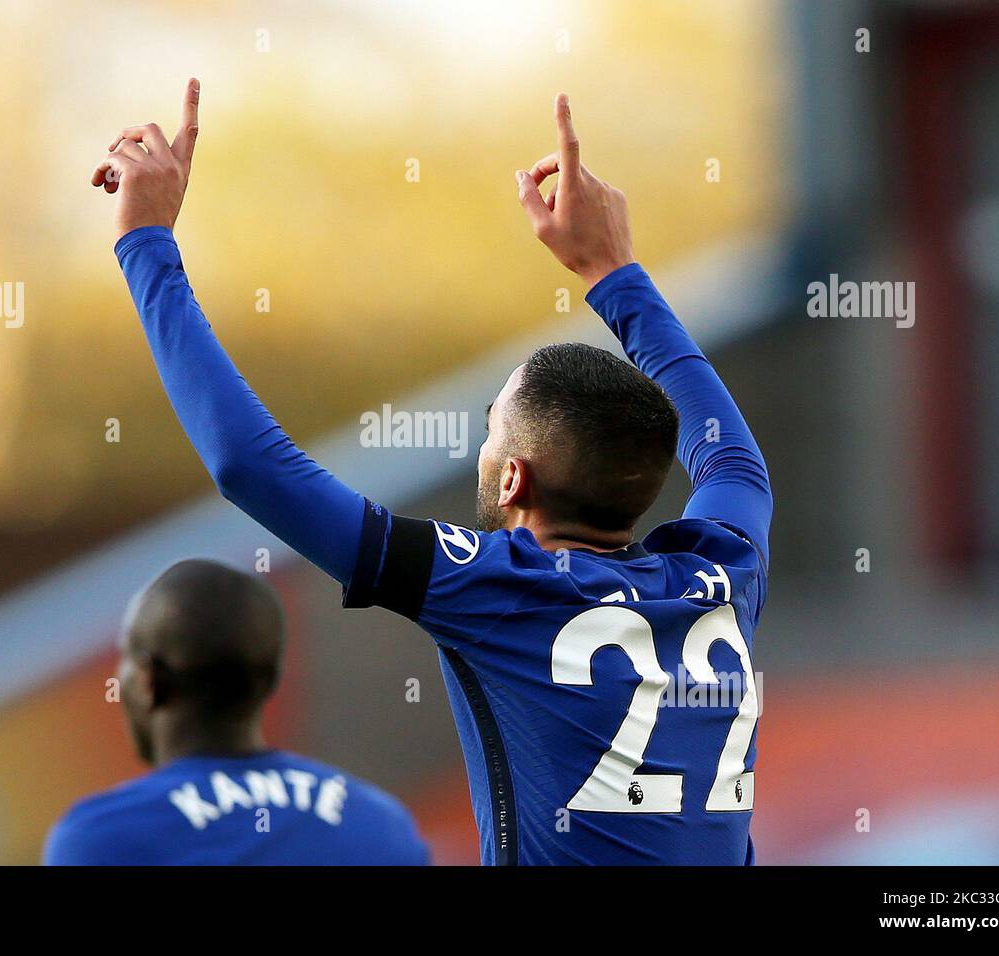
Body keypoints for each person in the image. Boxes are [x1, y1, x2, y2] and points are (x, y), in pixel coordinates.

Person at [89, 80, 772, 865]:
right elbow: (733, 460)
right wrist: (613, 270)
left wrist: (145, 242)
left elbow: (251, 466)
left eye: (490, 433)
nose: (480, 450)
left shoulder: (499, 586)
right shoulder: (723, 570)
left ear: (513, 480)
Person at [44, 559, 429, 865]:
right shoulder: (381, 825)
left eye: (126, 656)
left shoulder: (102, 839)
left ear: (148, 681)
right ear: (271, 677)